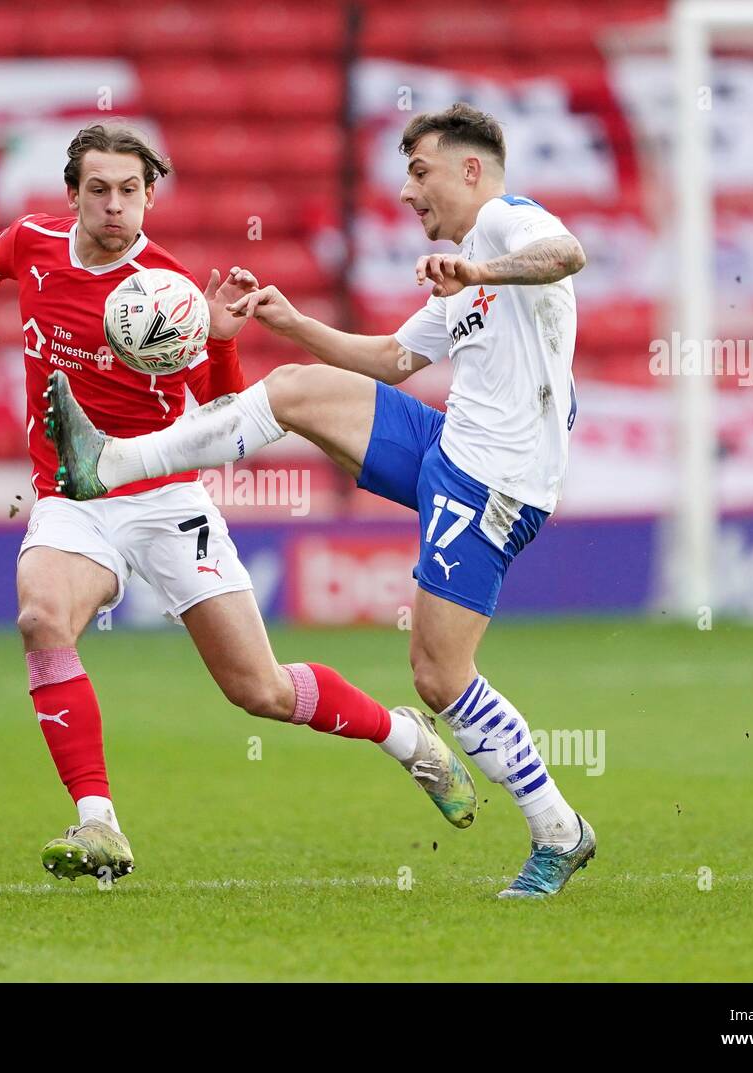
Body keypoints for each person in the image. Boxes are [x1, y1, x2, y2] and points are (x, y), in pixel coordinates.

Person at [46, 105, 595, 898]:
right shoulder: (468, 261)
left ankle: (558, 828)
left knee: (439, 678)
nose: (408, 192)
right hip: (447, 446)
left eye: (420, 172)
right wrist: (292, 321)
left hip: (496, 485)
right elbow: (394, 358)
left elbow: (566, 253)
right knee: (298, 389)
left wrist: (480, 274)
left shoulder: (509, 224)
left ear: (471, 171)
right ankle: (116, 459)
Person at [0, 122, 477, 884]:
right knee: (40, 616)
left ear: (151, 196)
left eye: (129, 191)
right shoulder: (33, 244)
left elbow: (223, 410)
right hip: (73, 496)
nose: (114, 205)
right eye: (98, 190)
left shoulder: (169, 291)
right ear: (73, 194)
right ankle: (98, 823)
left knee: (261, 689)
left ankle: (404, 737)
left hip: (164, 496)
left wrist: (217, 337)